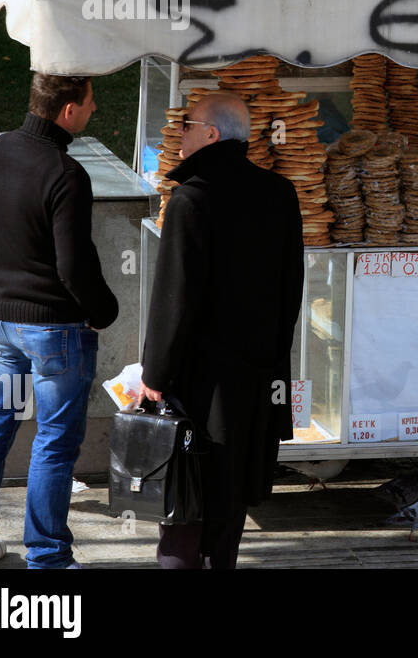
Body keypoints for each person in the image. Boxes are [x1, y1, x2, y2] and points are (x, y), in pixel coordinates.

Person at [0, 74, 119, 569]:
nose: (93, 109)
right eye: (89, 102)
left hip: (2, 321)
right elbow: (74, 266)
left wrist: (8, 282)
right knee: (55, 440)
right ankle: (47, 558)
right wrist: (103, 311)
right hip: (55, 331)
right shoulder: (66, 174)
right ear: (67, 110)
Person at [140, 91, 304, 569]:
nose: (179, 134)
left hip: (199, 384)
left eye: (187, 125)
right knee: (230, 500)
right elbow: (290, 289)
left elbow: (175, 300)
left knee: (184, 504)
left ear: (211, 134)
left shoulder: (192, 200)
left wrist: (155, 374)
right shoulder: (279, 193)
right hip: (255, 381)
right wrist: (271, 359)